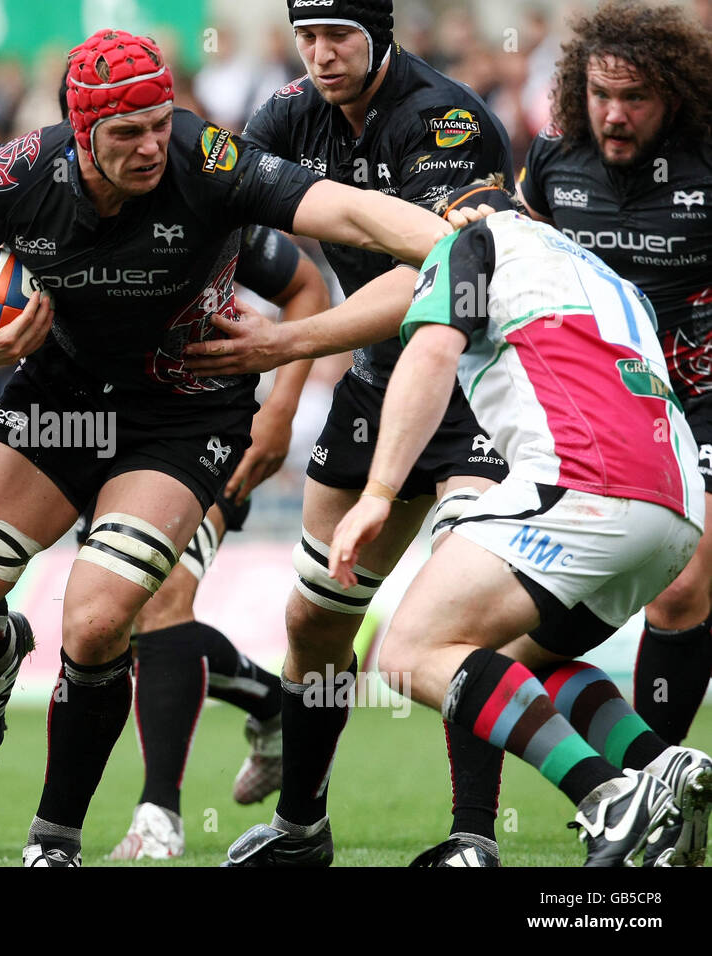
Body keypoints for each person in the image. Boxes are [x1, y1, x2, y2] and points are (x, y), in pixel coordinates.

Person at [0, 26, 458, 866]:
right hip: (58, 400)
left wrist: (445, 236)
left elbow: (335, 212)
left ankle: (54, 841)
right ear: (80, 132)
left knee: (95, 625)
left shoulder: (211, 160)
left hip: (183, 412)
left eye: (161, 122)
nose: (152, 145)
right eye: (127, 132)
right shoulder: (17, 173)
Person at [231, 180, 712, 867]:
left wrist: (378, 492)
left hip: (589, 485)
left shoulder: (468, 242)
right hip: (677, 504)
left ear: (458, 214)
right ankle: (656, 767)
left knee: (410, 651)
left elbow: (429, 353)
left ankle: (610, 795)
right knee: (510, 660)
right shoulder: (593, 266)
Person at [187, 0, 515, 867]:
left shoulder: (446, 121)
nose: (321, 54)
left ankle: (474, 838)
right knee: (314, 625)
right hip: (373, 390)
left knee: (461, 618)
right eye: (308, 36)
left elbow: (429, 277)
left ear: (381, 34)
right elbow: (217, 212)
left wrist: (283, 345)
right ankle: (302, 830)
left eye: (339, 36)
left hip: (475, 385)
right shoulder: (289, 115)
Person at [517, 0, 712, 762]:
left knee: (681, 586)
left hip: (698, 401)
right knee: (522, 647)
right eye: (601, 94)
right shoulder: (554, 161)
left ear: (675, 96)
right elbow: (512, 261)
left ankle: (656, 792)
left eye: (635, 98)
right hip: (594, 410)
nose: (615, 114)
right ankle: (632, 778)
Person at [108, 225, 330, 860]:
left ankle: (159, 816)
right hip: (102, 441)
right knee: (116, 613)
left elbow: (306, 287)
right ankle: (270, 699)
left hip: (205, 435)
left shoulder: (212, 199)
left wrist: (280, 412)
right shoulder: (59, 204)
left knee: (162, 597)